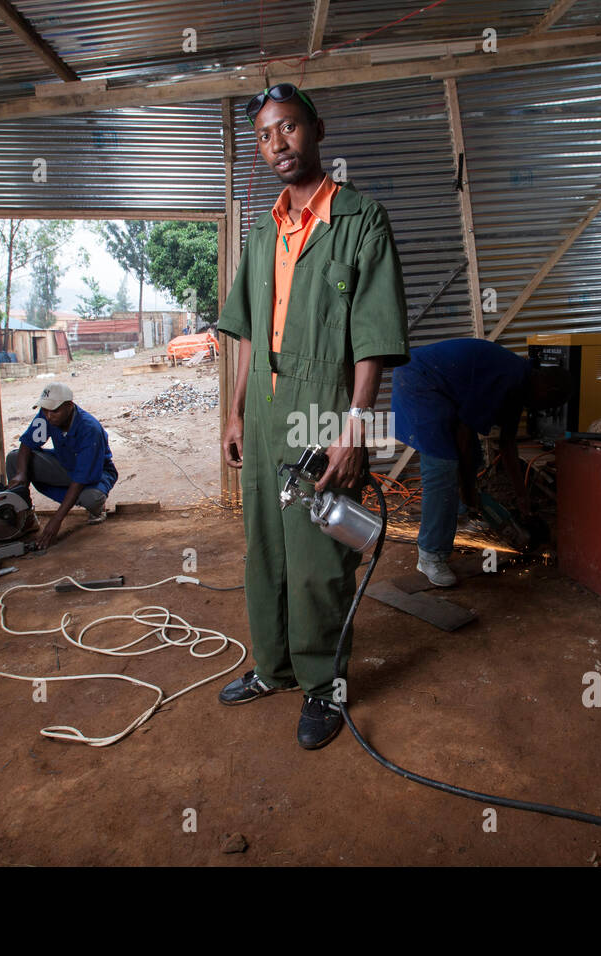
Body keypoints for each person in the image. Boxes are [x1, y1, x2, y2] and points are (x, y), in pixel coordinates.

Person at [216, 83, 410, 750]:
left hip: (325, 405)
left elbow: (375, 336)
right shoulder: (263, 229)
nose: (279, 145)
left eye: (290, 128)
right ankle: (273, 669)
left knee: (319, 554)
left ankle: (324, 687)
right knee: (265, 548)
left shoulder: (361, 220)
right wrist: (236, 412)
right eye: (266, 135)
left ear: (317, 129)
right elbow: (244, 334)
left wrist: (357, 425)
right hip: (267, 407)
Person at [392, 338, 571, 587]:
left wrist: (522, 497)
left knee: (473, 457)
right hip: (419, 381)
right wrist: (468, 490)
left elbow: (507, 444)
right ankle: (430, 555)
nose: (541, 410)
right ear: (547, 392)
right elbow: (465, 434)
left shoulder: (521, 384)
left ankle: (460, 515)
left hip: (440, 389)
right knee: (442, 466)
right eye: (547, 405)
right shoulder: (508, 377)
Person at [5, 382, 118, 550]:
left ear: (69, 406)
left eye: (54, 410)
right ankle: (26, 517)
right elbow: (27, 444)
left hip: (94, 473)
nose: (49, 416)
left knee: (91, 498)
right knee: (15, 458)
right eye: (45, 410)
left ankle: (97, 508)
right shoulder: (46, 416)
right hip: (64, 465)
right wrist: (21, 473)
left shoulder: (89, 429)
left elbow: (81, 478)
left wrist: (56, 520)